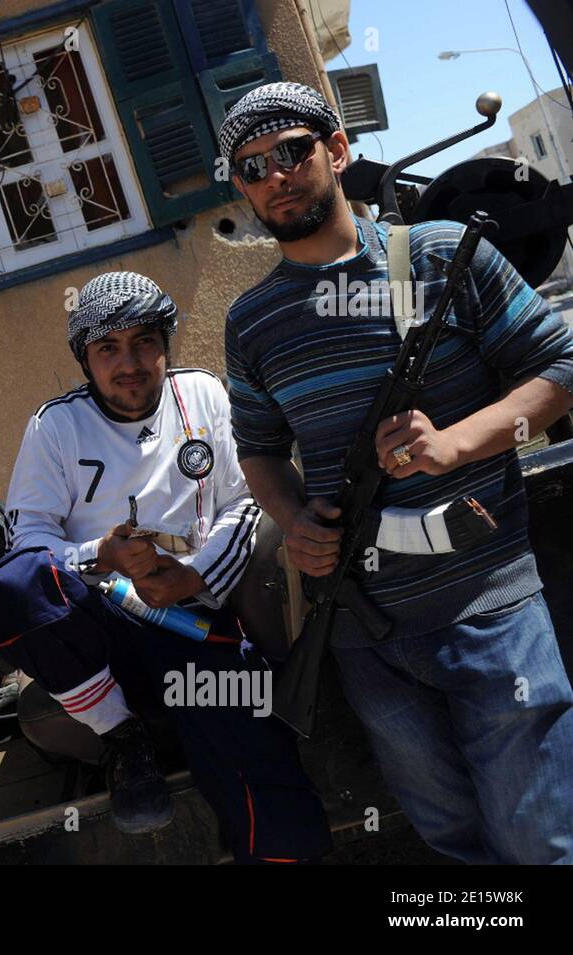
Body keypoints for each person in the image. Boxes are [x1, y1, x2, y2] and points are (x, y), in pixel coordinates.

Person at [220, 80, 573, 863]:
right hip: (364, 632)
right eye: (250, 167)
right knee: (451, 841)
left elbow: (562, 366)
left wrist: (456, 444)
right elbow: (259, 450)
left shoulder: (445, 254)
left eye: (290, 151)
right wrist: (292, 521)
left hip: (490, 611)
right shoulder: (252, 323)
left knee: (541, 841)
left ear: (337, 150)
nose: (273, 175)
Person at [0, 270, 331, 863]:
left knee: (257, 762)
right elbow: (27, 544)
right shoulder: (55, 426)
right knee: (13, 587)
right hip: (104, 627)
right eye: (108, 349)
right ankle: (122, 738)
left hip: (193, 621)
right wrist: (103, 555)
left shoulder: (204, 395)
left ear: (166, 341)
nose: (130, 363)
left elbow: (244, 499)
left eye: (144, 341)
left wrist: (193, 577)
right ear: (85, 360)